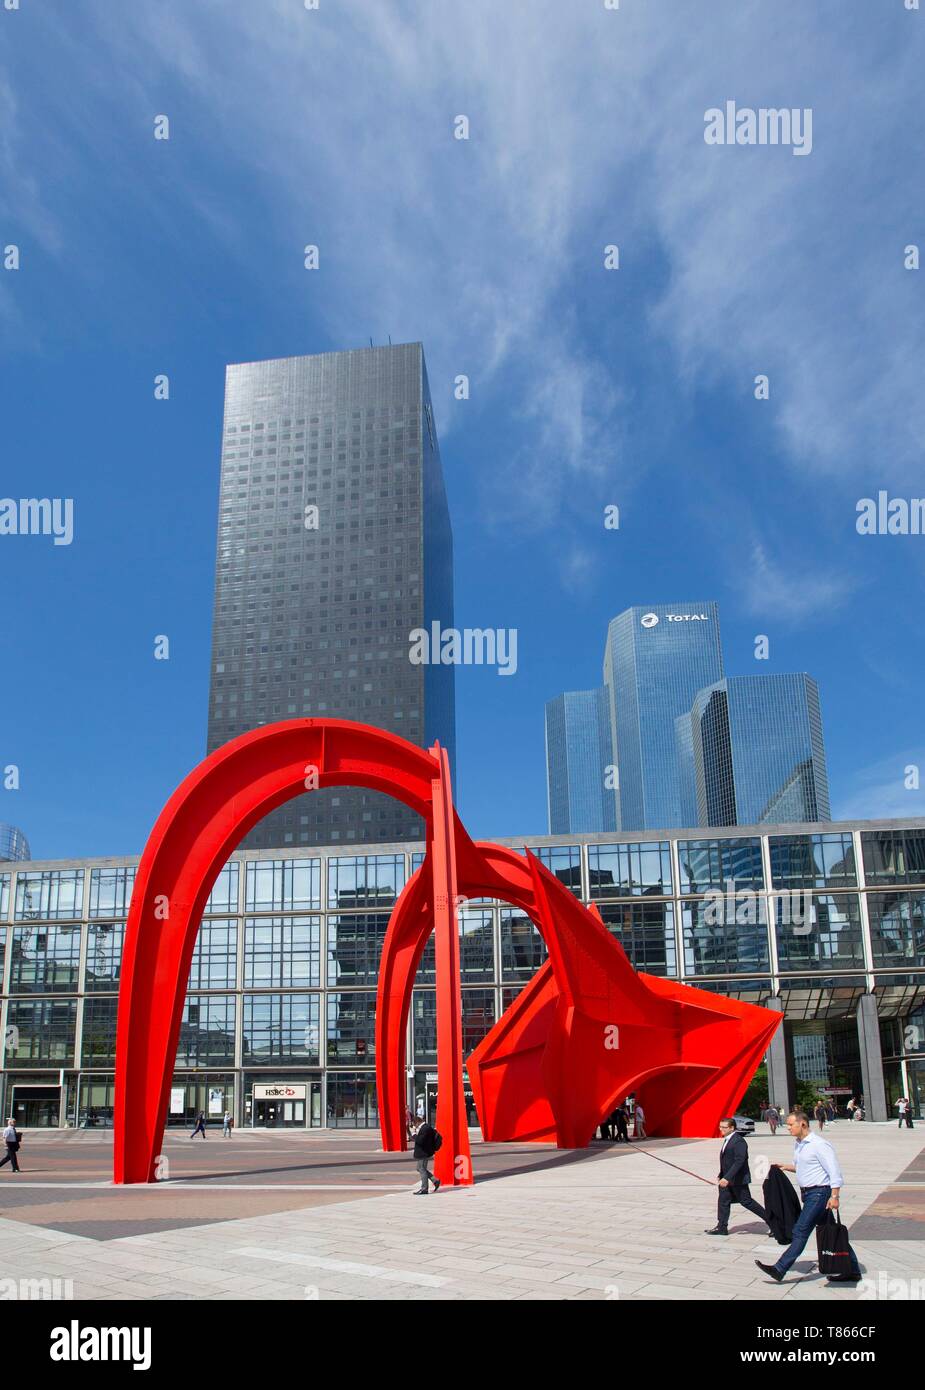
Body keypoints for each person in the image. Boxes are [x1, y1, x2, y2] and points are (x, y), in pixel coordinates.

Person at [754, 1110, 861, 1285]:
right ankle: (853, 1269)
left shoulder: (819, 1144)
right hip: (808, 1193)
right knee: (832, 1230)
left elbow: (834, 1172)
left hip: (820, 1193)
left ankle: (780, 1268)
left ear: (802, 1124)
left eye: (790, 1124)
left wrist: (835, 1196)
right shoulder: (799, 1143)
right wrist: (785, 1167)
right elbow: (803, 1167)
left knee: (800, 1230)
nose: (788, 1128)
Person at [705, 1118, 770, 1236]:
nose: (721, 1129)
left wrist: (727, 1177)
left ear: (732, 1128)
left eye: (724, 1127)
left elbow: (739, 1161)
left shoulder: (739, 1141)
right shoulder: (728, 1140)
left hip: (737, 1179)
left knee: (747, 1202)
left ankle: (773, 1223)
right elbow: (726, 1161)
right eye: (720, 1127)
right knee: (723, 1201)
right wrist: (721, 1175)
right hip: (727, 1178)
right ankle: (722, 1227)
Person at [412, 1116, 441, 1195]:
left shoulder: (425, 1128)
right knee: (419, 1168)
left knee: (421, 1169)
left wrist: (414, 1134)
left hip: (423, 1153)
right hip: (424, 1152)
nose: (415, 1126)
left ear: (417, 1122)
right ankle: (435, 1180)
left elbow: (420, 1141)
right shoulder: (426, 1127)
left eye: (415, 1125)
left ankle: (424, 1189)